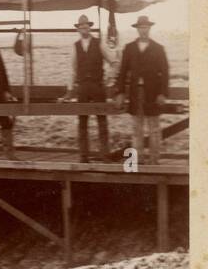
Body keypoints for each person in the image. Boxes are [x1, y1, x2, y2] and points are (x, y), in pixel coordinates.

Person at [116, 15, 170, 164]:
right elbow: (122, 72)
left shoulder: (158, 49)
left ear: (150, 28)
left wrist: (162, 93)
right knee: (136, 128)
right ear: (137, 29)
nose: (143, 30)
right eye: (141, 28)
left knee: (154, 128)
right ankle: (138, 161)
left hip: (153, 93)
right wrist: (120, 92)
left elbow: (165, 73)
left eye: (146, 27)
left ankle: (154, 160)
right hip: (135, 93)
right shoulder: (129, 48)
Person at [64, 14, 114, 162]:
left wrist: (108, 79)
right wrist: (69, 89)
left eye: (86, 26)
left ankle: (105, 155)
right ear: (78, 29)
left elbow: (113, 61)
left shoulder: (100, 43)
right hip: (83, 88)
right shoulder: (75, 46)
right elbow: (72, 69)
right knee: (82, 121)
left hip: (98, 87)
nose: (84, 28)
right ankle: (84, 156)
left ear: (89, 27)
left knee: (102, 120)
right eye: (81, 27)